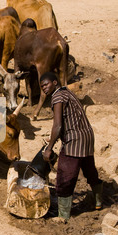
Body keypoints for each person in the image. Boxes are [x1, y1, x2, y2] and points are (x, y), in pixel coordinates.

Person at [40, 72, 103, 222]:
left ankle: (63, 215)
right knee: (89, 170)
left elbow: (58, 124)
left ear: (55, 82)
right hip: (87, 136)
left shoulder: (58, 96)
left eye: (46, 84)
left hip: (74, 140)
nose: (44, 89)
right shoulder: (67, 92)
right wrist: (54, 138)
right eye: (42, 87)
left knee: (65, 177)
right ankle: (99, 202)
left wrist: (49, 148)